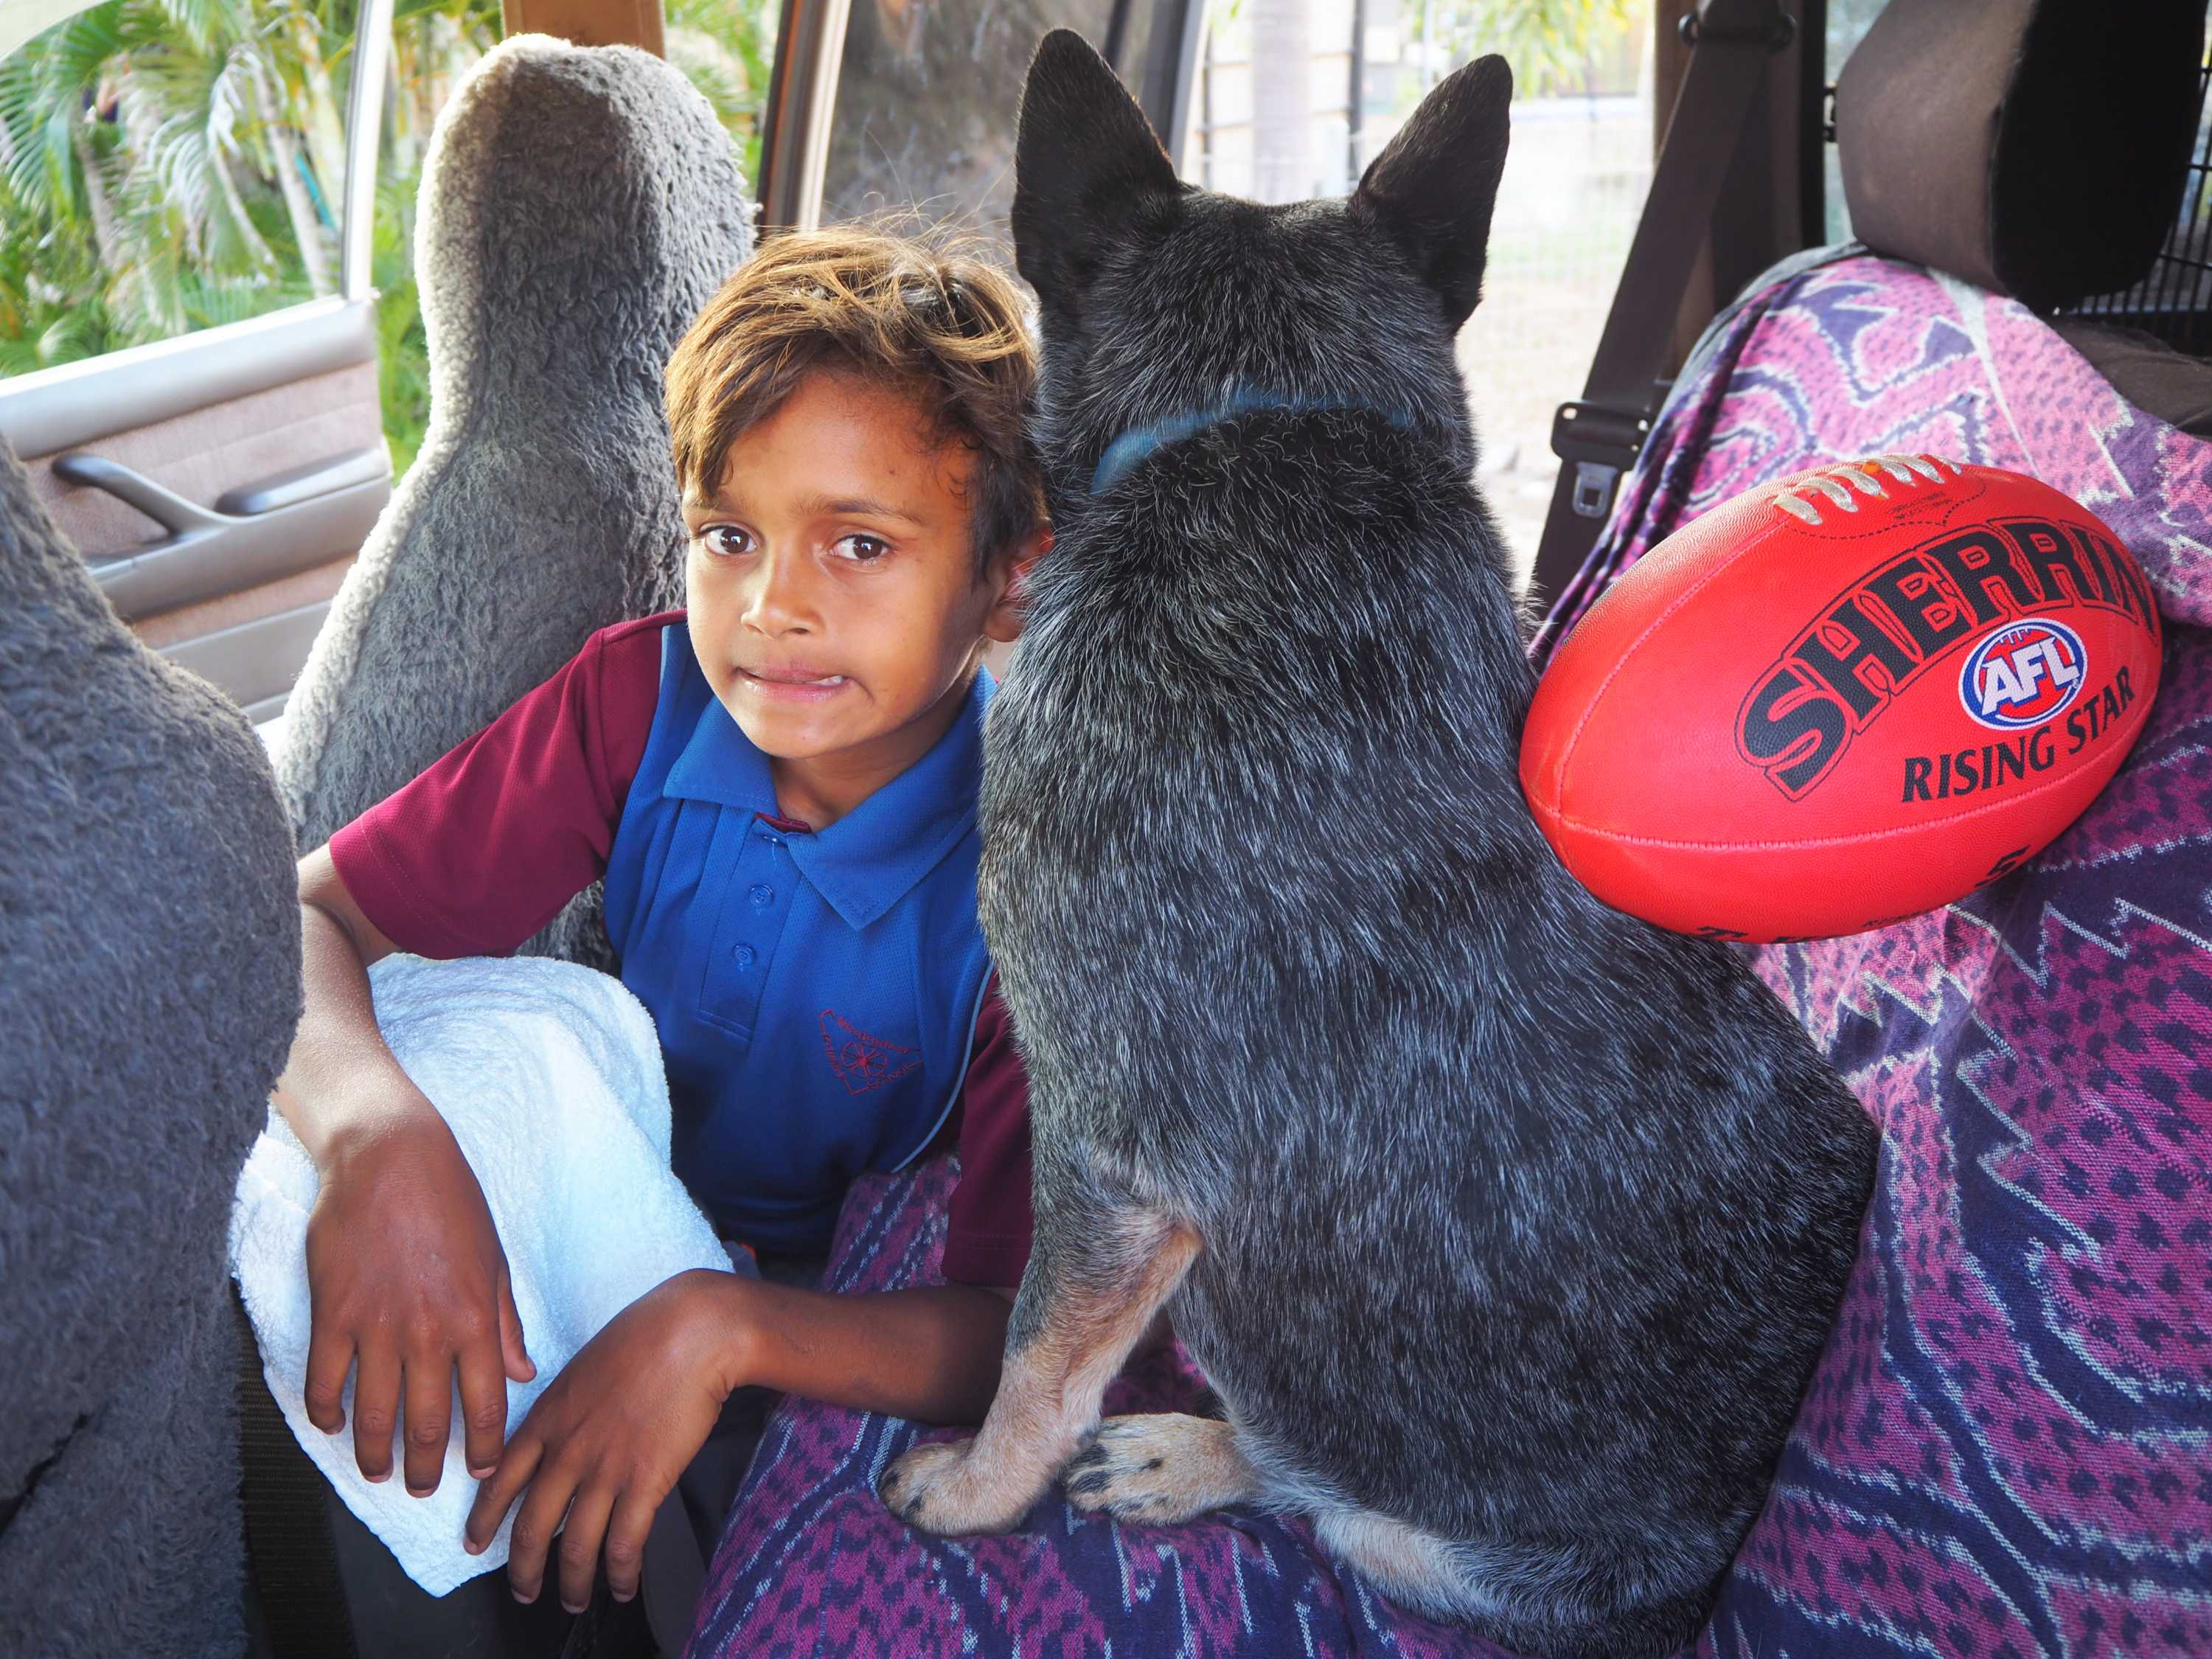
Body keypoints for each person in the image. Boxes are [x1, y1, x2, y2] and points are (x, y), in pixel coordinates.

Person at [272, 226, 1042, 1647]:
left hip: (824, 1323)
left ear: (1009, 576)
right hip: (574, 1223)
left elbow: (1019, 1324)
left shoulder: (1038, 873)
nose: (772, 606)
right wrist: (380, 1137)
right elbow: (303, 912)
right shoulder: (640, 705)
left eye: (859, 543)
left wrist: (719, 1325)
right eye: (726, 535)